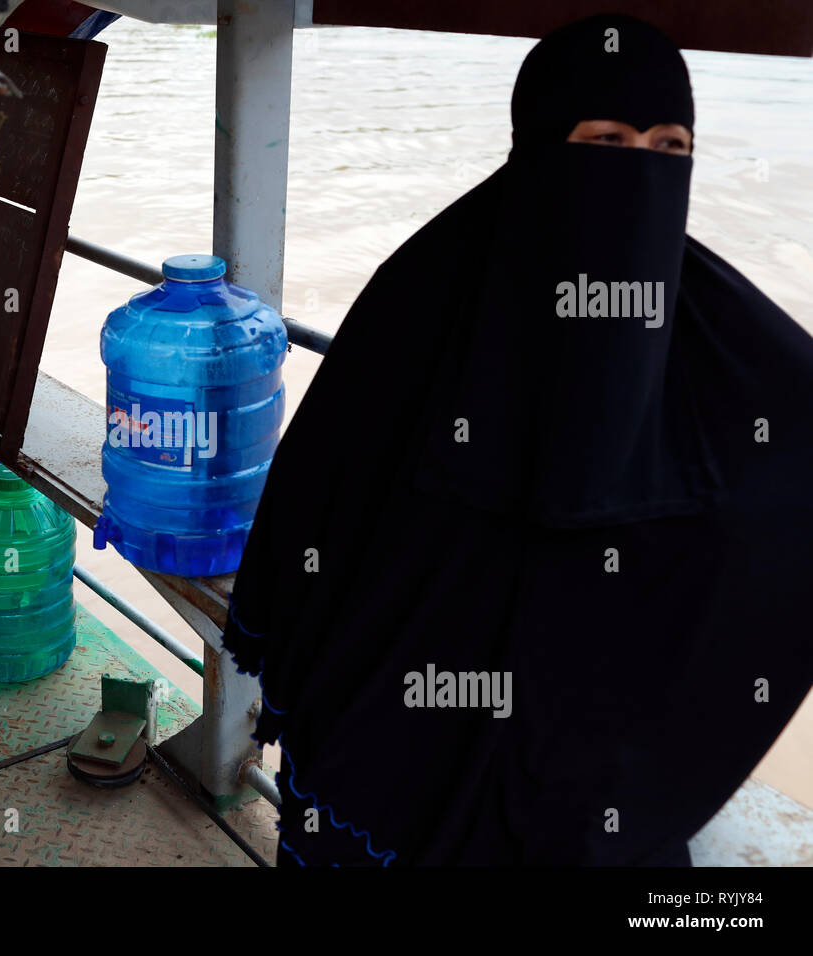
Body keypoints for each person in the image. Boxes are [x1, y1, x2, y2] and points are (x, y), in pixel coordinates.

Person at [223, 14, 813, 865]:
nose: (638, 172)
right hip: (405, 711)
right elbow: (324, 493)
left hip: (588, 740)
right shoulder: (421, 293)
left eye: (668, 149)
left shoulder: (696, 313)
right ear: (539, 145)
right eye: (607, 140)